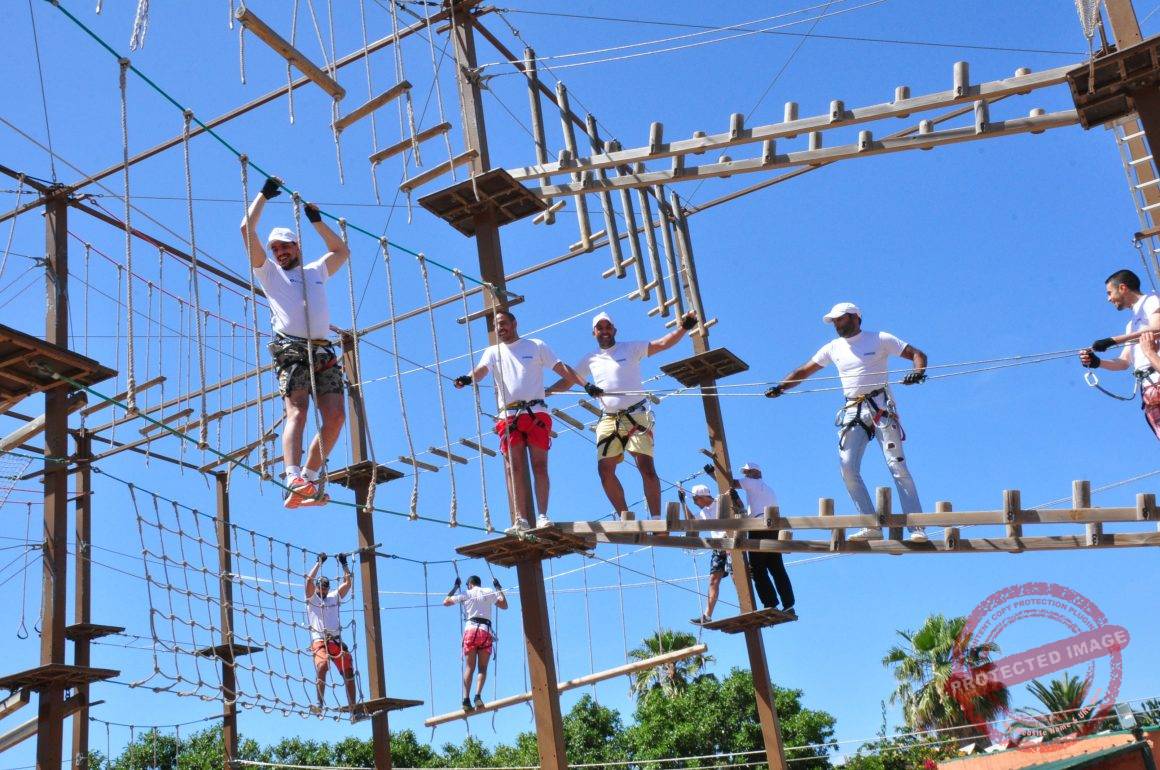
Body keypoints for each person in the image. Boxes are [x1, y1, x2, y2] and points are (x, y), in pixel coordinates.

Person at [765, 302, 928, 542]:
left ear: (854, 318)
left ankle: (916, 527)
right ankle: (870, 524)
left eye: (840, 320)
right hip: (853, 410)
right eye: (834, 321)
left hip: (880, 406)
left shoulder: (880, 339)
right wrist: (781, 387)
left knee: (897, 466)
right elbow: (804, 371)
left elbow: (917, 355)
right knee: (848, 468)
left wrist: (918, 371)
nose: (836, 325)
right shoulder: (833, 348)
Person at [241, 177, 350, 508]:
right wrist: (263, 196)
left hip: (323, 351)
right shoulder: (270, 273)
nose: (279, 252)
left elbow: (341, 250)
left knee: (336, 417)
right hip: (292, 350)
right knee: (298, 410)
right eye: (275, 249)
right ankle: (291, 475)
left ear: (297, 247)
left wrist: (317, 222)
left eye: (285, 247)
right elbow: (247, 229)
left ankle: (309, 479)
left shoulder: (317, 270)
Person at [454, 309, 596, 531]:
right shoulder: (493, 352)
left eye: (503, 323)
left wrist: (585, 385)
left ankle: (542, 515)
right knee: (515, 468)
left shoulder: (536, 345)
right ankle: (520, 518)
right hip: (509, 416)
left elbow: (561, 367)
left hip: (536, 412)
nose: (500, 328)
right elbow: (481, 371)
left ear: (514, 323)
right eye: (496, 325)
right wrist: (468, 378)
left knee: (539, 466)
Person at [548, 310, 698, 519]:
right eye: (600, 328)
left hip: (636, 415)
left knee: (645, 466)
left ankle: (655, 518)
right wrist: (545, 392)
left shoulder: (630, 348)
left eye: (607, 327)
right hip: (609, 418)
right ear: (594, 333)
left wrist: (684, 327)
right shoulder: (590, 359)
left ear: (614, 330)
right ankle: (624, 515)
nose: (604, 331)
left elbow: (662, 344)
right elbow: (567, 381)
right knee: (604, 469)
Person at [1079, 269, 1160, 439]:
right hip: (1148, 389)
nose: (1109, 299)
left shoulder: (1151, 300)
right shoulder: (1131, 325)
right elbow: (1123, 362)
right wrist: (1097, 362)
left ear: (1122, 288)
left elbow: (1157, 329)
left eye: (1110, 293)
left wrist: (1114, 340)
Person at [732, 462, 795, 614]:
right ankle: (788, 604)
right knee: (776, 566)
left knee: (757, 568)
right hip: (773, 526)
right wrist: (737, 500)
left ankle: (770, 602)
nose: (745, 476)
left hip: (760, 526)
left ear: (755, 472)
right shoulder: (767, 489)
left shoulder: (752, 483)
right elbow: (748, 511)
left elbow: (730, 483)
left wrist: (713, 473)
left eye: (747, 472)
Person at [304, 552, 360, 719]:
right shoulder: (312, 599)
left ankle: (353, 709)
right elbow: (308, 581)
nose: (323, 591)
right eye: (321, 588)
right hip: (319, 640)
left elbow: (348, 583)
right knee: (322, 667)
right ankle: (319, 704)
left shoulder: (333, 597)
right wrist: (318, 563)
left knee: (349, 671)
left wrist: (344, 564)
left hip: (335, 641)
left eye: (326, 588)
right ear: (317, 588)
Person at [442, 574, 508, 712]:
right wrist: (498, 588)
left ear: (470, 584)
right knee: (482, 668)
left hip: (471, 630)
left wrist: (455, 587)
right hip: (485, 631)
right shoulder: (489, 591)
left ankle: (465, 699)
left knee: (469, 668)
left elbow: (446, 602)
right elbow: (504, 605)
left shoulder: (466, 593)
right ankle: (477, 696)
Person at [679, 484, 729, 625]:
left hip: (731, 543)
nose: (694, 503)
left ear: (701, 497)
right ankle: (707, 615)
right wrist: (683, 502)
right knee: (713, 580)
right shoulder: (704, 512)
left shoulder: (721, 501)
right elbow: (692, 522)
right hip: (718, 547)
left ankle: (745, 604)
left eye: (695, 500)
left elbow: (728, 487)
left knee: (737, 575)